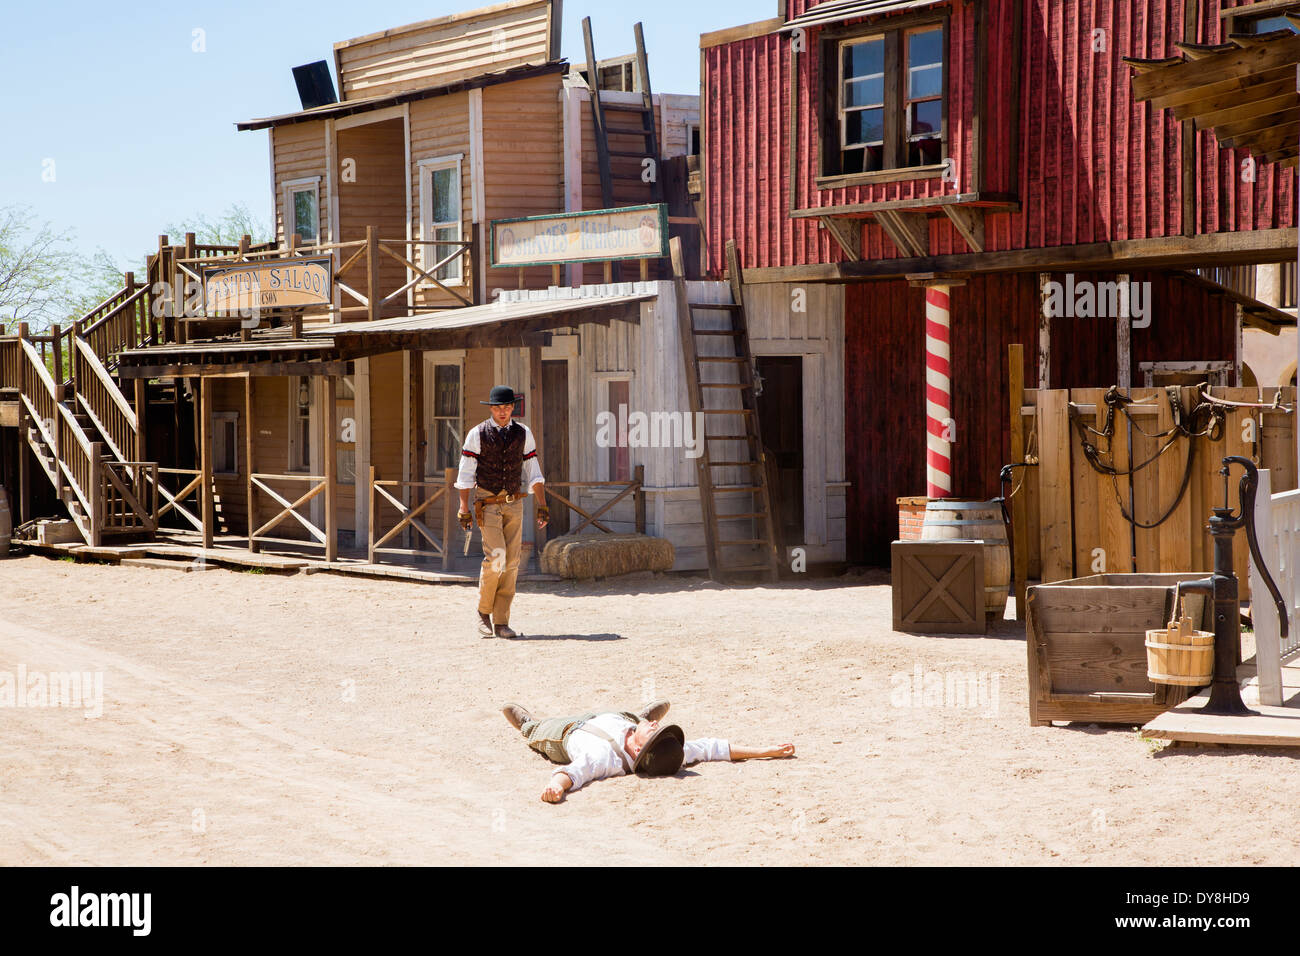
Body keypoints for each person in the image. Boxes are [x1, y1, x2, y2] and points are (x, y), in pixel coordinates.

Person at [501, 700, 796, 804]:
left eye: (654, 729)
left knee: (541, 733)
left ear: (642, 748)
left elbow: (573, 773)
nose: (658, 725)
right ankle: (639, 714)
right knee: (634, 716)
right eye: (656, 726)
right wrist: (764, 751)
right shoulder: (670, 750)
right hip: (618, 718)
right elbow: (713, 749)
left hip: (570, 731)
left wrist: (555, 786)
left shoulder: (605, 759)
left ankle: (528, 724)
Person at [456, 386, 548, 638]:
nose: (503, 411)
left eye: (507, 407)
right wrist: (463, 508)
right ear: (491, 409)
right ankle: (483, 613)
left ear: (512, 408)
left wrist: (542, 503)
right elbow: (465, 474)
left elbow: (533, 470)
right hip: (487, 502)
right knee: (497, 558)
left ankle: (501, 621)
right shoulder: (477, 434)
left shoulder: (523, 433)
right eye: (498, 407)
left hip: (514, 502)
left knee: (512, 563)